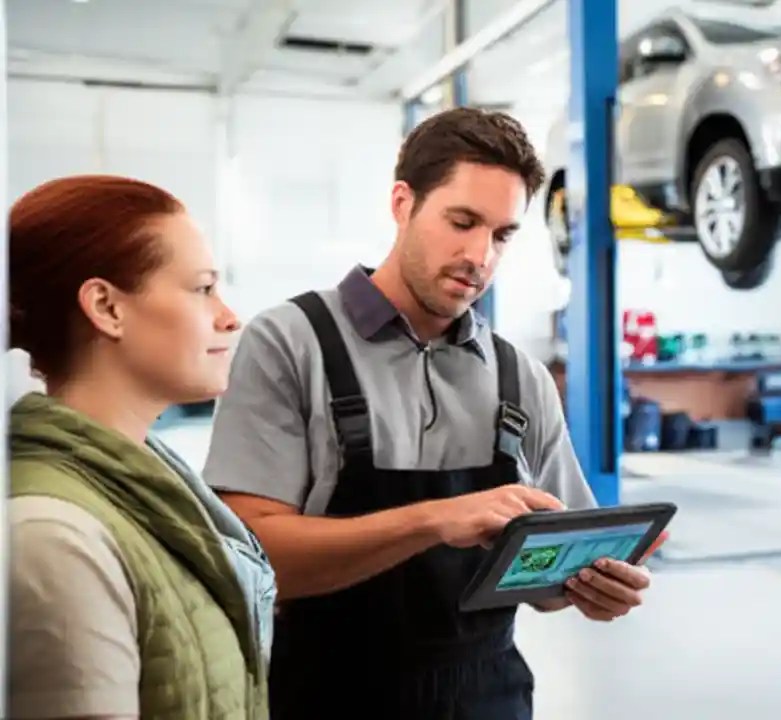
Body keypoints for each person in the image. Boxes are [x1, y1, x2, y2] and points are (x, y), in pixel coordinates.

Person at [203, 107, 656, 719]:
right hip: (326, 696)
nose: (480, 256)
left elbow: (547, 577)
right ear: (401, 203)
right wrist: (436, 519)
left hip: (486, 696)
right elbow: (251, 556)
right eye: (462, 221)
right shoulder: (290, 343)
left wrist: (589, 587)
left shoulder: (521, 377)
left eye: (502, 235)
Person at [6, 175, 277, 719]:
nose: (229, 316)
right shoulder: (55, 536)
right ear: (107, 307)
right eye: (203, 289)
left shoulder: (154, 487)